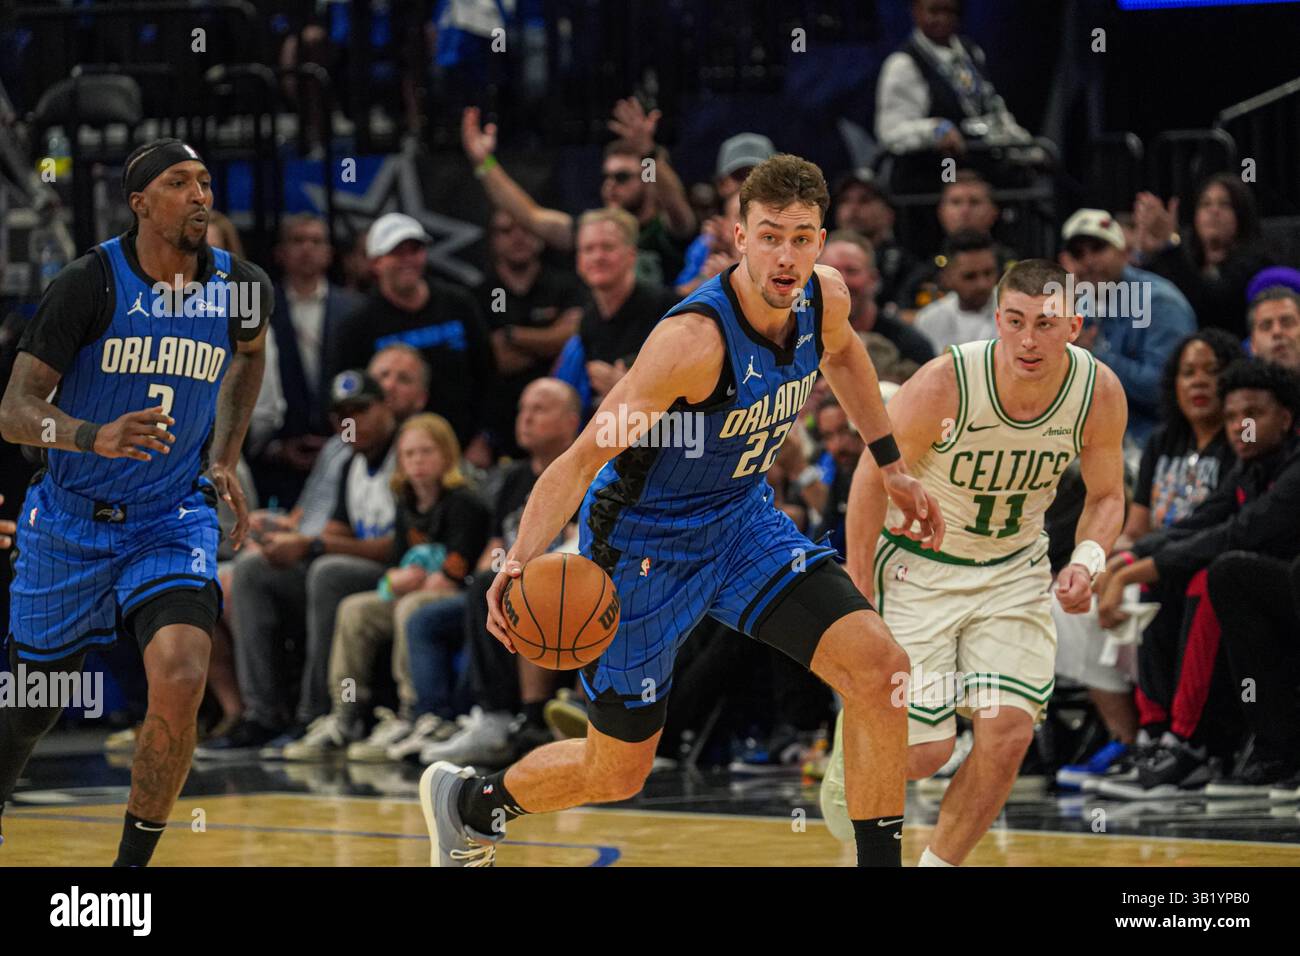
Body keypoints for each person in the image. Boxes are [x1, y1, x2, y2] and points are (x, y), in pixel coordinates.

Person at [420, 153, 945, 868]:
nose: (785, 255)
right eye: (769, 236)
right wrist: (514, 562)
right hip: (642, 551)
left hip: (741, 523)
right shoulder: (691, 345)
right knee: (618, 771)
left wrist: (892, 465)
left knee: (880, 671)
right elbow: (579, 460)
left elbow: (846, 358)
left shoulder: (826, 298)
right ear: (738, 237)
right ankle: (471, 805)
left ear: (822, 241)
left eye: (800, 236)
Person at [0, 138, 271, 864]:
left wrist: (223, 457)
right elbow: (16, 411)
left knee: (182, 674)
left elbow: (251, 348)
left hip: (169, 517)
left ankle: (129, 875)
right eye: (179, 182)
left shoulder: (241, 286)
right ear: (141, 202)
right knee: (29, 707)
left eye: (207, 181)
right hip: (70, 519)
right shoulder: (89, 284)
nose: (200, 195)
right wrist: (94, 435)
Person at [821, 258, 1129, 866]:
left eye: (1045, 323)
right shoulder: (948, 381)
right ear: (997, 320)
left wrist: (1087, 561)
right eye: (1014, 321)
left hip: (1013, 571)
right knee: (925, 755)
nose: (1028, 339)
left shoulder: (1099, 393)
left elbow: (1108, 495)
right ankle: (852, 737)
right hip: (919, 569)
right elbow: (871, 475)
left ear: (1074, 324)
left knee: (1009, 731)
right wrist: (858, 582)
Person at [1097, 359, 1300, 796]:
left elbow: (1240, 531)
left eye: (1252, 415)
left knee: (1218, 575)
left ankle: (1197, 744)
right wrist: (1130, 557)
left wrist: (1137, 568)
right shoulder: (1249, 467)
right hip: (1278, 597)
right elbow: (1199, 522)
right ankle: (1159, 736)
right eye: (1230, 417)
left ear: (1285, 418)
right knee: (1174, 578)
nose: (1238, 428)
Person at [1052, 329, 1240, 792]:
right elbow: (1136, 526)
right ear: (1172, 383)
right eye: (1187, 373)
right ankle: (1132, 739)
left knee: (1145, 600)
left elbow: (1213, 527)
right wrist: (1107, 562)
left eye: (1211, 373)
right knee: (1069, 602)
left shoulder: (1239, 442)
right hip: (1149, 555)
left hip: (1186, 564)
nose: (1198, 383)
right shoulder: (1162, 442)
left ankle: (1168, 740)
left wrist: (1129, 565)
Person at [198, 362, 415, 756]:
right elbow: (338, 530)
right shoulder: (352, 462)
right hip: (355, 568)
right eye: (342, 416)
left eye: (361, 411)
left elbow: (396, 547)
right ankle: (263, 713)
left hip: (401, 574)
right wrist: (287, 535)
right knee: (252, 569)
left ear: (386, 408)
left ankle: (315, 713)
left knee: (327, 572)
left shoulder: (408, 455)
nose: (352, 423)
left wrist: (312, 547)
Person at [282, 413, 491, 761]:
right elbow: (393, 572)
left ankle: (410, 713)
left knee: (412, 608)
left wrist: (409, 582)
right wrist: (396, 581)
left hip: (458, 598)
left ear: (447, 455)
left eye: (426, 452)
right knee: (356, 609)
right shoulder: (405, 502)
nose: (417, 461)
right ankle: (345, 713)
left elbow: (453, 575)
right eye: (409, 455)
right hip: (416, 592)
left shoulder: (464, 502)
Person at [461, 98, 697, 285]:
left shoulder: (668, 230)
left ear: (648, 179)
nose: (611, 185)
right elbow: (529, 216)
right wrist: (484, 163)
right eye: (607, 176)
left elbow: (676, 203)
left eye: (622, 177)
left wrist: (649, 153)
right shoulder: (592, 231)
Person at [325, 212, 494, 461]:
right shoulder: (357, 326)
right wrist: (359, 450)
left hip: (464, 449)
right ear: (375, 263)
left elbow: (488, 375)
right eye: (396, 253)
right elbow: (344, 399)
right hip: (392, 457)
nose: (407, 260)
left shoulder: (459, 304)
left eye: (414, 250)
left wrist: (485, 439)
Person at [250, 213, 365, 509]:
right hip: (277, 461)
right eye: (297, 240)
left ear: (329, 252)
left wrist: (341, 438)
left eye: (316, 241)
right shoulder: (260, 309)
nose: (307, 249)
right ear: (280, 253)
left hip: (344, 449)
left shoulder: (353, 309)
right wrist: (277, 448)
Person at [1059, 208, 1196, 447]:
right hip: (1093, 442)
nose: (1089, 261)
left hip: (1155, 444)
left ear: (1124, 252)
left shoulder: (1159, 302)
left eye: (1098, 249)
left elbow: (1167, 390)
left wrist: (1093, 358)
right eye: (1078, 254)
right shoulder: (1075, 304)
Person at [478, 209, 585, 458]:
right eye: (506, 231)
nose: (518, 238)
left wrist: (511, 336)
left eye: (526, 229)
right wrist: (552, 341)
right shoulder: (484, 294)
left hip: (563, 426)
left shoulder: (565, 285)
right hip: (501, 426)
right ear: (493, 240)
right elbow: (499, 359)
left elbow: (575, 337)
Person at [552, 208, 680, 415]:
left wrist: (627, 390)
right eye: (588, 249)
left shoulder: (668, 309)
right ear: (578, 261)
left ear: (631, 255)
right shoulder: (588, 320)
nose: (597, 257)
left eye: (608, 247)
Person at [1133, 173, 1275, 339]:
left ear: (1242, 215)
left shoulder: (1256, 263)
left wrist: (1169, 246)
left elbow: (1212, 307)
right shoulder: (1186, 261)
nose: (1213, 211)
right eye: (1205, 204)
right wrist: (1145, 253)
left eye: (1225, 204)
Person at [818, 231, 934, 367]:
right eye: (830, 271)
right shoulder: (796, 339)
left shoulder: (911, 347)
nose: (841, 281)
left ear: (873, 279)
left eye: (852, 271)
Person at [913, 230, 999, 352]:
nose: (982, 284)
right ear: (947, 277)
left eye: (988, 273)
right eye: (970, 276)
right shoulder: (928, 320)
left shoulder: (1015, 310)